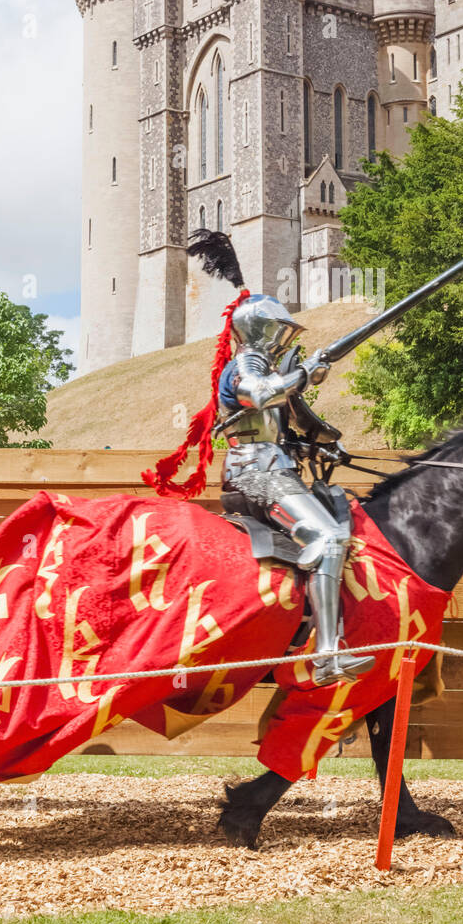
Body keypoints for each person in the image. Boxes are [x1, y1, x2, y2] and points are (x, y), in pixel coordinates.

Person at [142, 230, 375, 688]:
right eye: (281, 332)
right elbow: (262, 397)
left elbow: (294, 421)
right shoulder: (247, 365)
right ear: (265, 332)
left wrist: (321, 441)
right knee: (327, 540)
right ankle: (327, 655)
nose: (286, 339)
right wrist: (305, 372)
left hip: (274, 465)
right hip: (259, 474)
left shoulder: (263, 364)